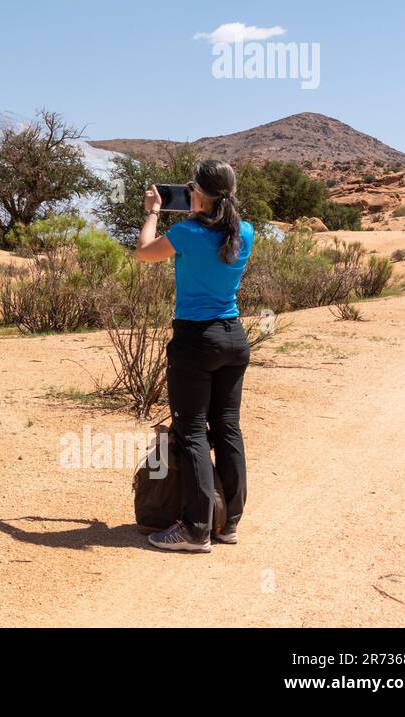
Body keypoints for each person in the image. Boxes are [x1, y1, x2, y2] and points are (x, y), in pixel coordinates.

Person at [135, 160, 255, 553]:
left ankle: (196, 529)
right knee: (227, 428)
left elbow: (144, 254)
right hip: (233, 337)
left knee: (191, 430)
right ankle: (228, 523)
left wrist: (153, 211)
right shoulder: (245, 232)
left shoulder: (186, 231)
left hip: (195, 340)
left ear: (198, 192)